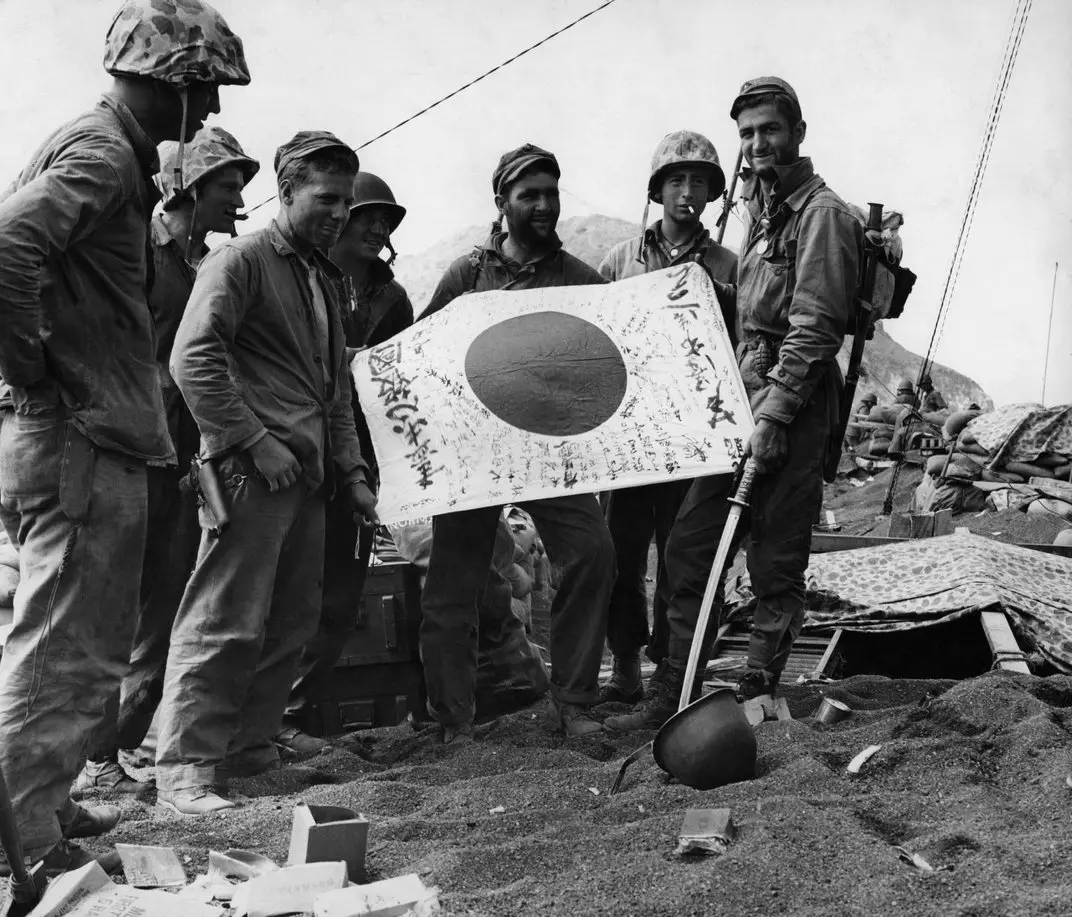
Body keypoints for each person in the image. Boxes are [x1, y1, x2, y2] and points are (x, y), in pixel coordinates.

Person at [0, 0, 248, 875]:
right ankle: (20, 837)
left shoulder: (102, 151)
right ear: (176, 80)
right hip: (76, 436)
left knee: (84, 642)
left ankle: (46, 803)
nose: (212, 107)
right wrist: (32, 369)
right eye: (208, 85)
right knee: (62, 644)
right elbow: (6, 245)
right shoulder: (105, 153)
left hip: (84, 433)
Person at [608, 76, 862, 731]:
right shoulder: (763, 215)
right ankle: (674, 687)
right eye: (746, 134)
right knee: (691, 550)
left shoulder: (822, 215)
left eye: (768, 130)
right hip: (739, 409)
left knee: (774, 561)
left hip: (793, 409)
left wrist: (775, 418)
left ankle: (757, 690)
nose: (756, 145)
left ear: (797, 134)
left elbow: (813, 326)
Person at [154, 131, 377, 815]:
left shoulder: (319, 275)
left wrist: (354, 474)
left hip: (306, 482)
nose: (339, 213)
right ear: (285, 192)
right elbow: (192, 360)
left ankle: (250, 749)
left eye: (345, 200)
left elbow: (333, 391)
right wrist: (254, 440)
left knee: (289, 622)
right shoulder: (240, 261)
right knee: (223, 619)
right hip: (252, 476)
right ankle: (187, 768)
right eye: (325, 198)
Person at [76, 126, 259, 795]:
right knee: (113, 615)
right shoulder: (140, 253)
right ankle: (95, 761)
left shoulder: (202, 263)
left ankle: (115, 751)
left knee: (163, 609)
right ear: (188, 186)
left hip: (182, 458)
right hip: (125, 452)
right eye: (228, 183)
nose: (238, 196)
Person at [419, 144, 615, 742]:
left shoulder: (580, 279)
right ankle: (454, 721)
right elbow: (425, 351)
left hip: (552, 453)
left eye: (551, 193)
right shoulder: (468, 276)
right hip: (476, 457)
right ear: (501, 203)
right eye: (529, 195)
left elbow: (606, 365)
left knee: (592, 555)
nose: (544, 205)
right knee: (452, 585)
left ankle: (575, 701)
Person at [596, 131, 737, 704]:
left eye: (699, 182)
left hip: (694, 438)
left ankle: (668, 674)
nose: (687, 192)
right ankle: (625, 666)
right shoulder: (619, 261)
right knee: (620, 555)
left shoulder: (729, 264)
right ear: (657, 189)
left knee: (681, 556)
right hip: (631, 436)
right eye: (676, 180)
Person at [276, 172, 414, 754]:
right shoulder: (303, 283)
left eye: (386, 220)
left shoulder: (394, 297)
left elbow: (403, 378)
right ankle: (270, 720)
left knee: (340, 598)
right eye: (367, 216)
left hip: (362, 464)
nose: (377, 228)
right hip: (301, 456)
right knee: (288, 595)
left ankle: (298, 715)